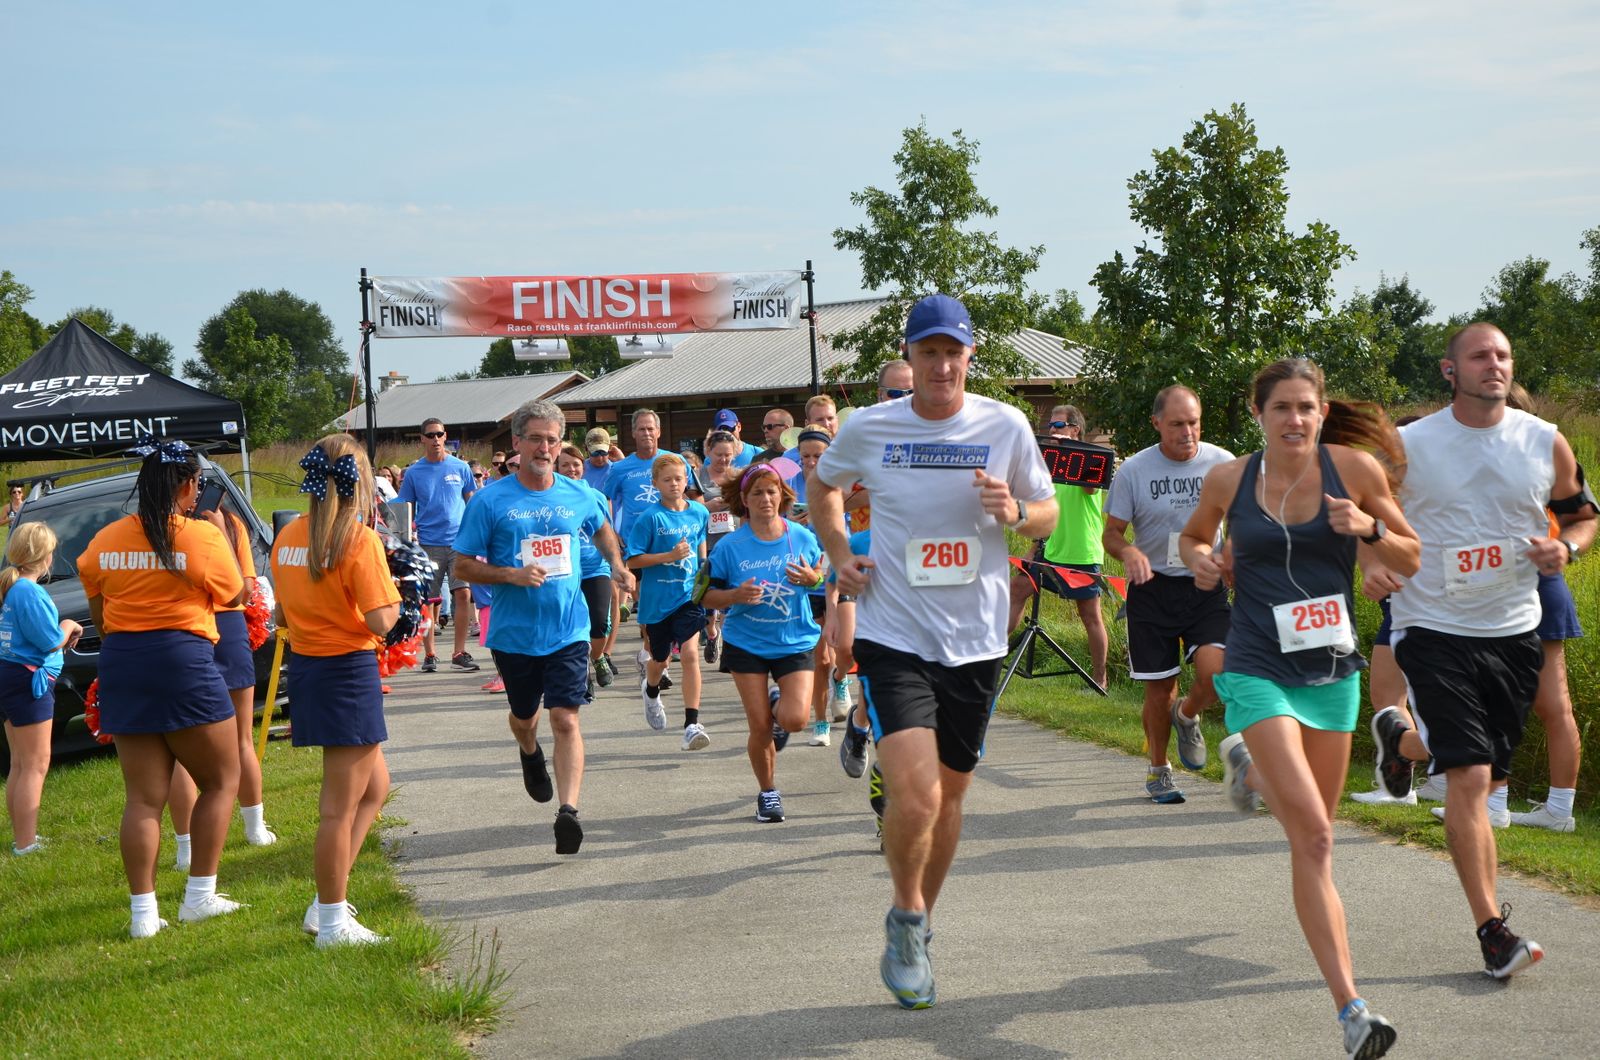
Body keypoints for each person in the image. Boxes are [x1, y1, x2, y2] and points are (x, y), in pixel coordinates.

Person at [811, 293, 1058, 1010]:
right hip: (895, 634)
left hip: (976, 641)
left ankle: (917, 921)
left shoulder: (1004, 425)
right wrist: (837, 552)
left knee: (950, 797)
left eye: (954, 352)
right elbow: (823, 486)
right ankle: (907, 913)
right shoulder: (872, 427)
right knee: (915, 793)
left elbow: (1045, 508)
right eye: (929, 352)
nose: (942, 365)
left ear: (969, 357)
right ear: (911, 358)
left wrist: (1016, 513)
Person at [1180, 358, 1419, 1057]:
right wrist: (1202, 559)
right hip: (1256, 662)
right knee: (1313, 833)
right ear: (1258, 414)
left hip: (1332, 670)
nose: (1294, 420)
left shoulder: (1356, 472)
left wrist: (1368, 533)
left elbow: (1412, 556)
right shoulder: (1231, 479)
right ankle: (1353, 1010)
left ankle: (1249, 771)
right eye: (1281, 407)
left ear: (1321, 412)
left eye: (1306, 407)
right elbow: (1196, 537)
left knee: (1316, 828)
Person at [1367, 322, 1593, 978]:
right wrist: (1370, 561)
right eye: (1479, 355)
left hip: (1514, 632)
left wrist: (1568, 548)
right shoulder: (1407, 446)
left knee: (1482, 770)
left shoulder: (1543, 440)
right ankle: (1493, 931)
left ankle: (1398, 744)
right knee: (1469, 777)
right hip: (1431, 626)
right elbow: (1360, 511)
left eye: (1502, 355)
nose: (1493, 364)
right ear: (1449, 369)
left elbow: (1583, 514)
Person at [78, 438, 247, 938]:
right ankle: (200, 895)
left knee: (143, 799)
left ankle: (143, 916)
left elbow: (100, 615)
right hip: (183, 661)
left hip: (124, 663)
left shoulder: (105, 539)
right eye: (196, 484)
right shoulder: (199, 535)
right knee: (221, 780)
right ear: (188, 484)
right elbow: (235, 592)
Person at [454, 400, 633, 855]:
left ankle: (568, 812)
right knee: (524, 718)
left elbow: (602, 530)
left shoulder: (579, 494)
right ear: (517, 442)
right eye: (536, 438)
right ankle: (529, 751)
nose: (545, 448)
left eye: (552, 439)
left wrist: (616, 565)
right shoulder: (489, 501)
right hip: (514, 633)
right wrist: (511, 575)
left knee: (565, 718)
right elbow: (462, 565)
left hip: (568, 628)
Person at [271, 434, 401, 947]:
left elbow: (282, 612)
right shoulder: (359, 540)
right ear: (361, 482)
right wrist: (404, 596)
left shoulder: (287, 538)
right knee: (337, 808)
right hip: (346, 669)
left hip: (309, 666)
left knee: (374, 788)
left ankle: (330, 898)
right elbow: (381, 620)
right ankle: (330, 920)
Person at [1101, 386, 1234, 803]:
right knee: (1160, 689)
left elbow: (1244, 520)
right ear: (1157, 423)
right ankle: (1159, 769)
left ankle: (1188, 714)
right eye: (1177, 424)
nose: (1187, 432)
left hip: (1205, 584)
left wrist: (1232, 557)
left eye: (1193, 422)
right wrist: (1129, 552)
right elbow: (1111, 533)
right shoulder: (1135, 471)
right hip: (1152, 588)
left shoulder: (1222, 463)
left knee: (1218, 672)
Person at [702, 462, 824, 821]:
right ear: (744, 499)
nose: (765, 498)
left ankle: (777, 703)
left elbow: (821, 577)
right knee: (758, 727)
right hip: (746, 642)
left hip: (794, 638)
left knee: (796, 720)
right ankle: (768, 792)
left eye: (772, 491)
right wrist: (734, 595)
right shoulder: (729, 546)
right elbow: (704, 597)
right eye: (757, 492)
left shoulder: (801, 536)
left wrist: (811, 580)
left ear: (783, 495)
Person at [167, 500, 276, 870]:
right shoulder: (203, 524)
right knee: (186, 743)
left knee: (231, 736)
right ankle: (189, 845)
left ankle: (253, 825)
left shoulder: (224, 523)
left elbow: (245, 586)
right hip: (201, 626)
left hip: (206, 627)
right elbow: (241, 587)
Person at [1006, 405, 1110, 691]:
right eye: (1050, 427)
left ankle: (1099, 679)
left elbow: (1089, 489)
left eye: (1059, 426)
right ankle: (993, 656)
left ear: (1075, 429)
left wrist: (1072, 451)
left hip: (1081, 551)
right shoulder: (1049, 463)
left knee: (1090, 615)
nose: (1052, 431)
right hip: (1049, 549)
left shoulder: (1089, 460)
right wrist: (1033, 547)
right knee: (1017, 589)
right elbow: (1042, 508)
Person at [0, 522, 82, 855]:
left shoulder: (13, 588)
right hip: (26, 680)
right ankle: (25, 843)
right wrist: (68, 626)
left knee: (19, 763)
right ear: (45, 556)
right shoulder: (29, 592)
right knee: (34, 763)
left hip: (9, 674)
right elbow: (50, 642)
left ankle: (24, 835)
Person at [626, 454, 711, 749]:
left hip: (689, 596)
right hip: (657, 600)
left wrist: (705, 572)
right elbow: (634, 559)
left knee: (689, 654)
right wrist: (668, 557)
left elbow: (701, 543)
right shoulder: (650, 517)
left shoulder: (699, 511)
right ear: (655, 484)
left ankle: (691, 723)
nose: (674, 484)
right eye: (667, 480)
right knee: (660, 660)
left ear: (687, 480)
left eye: (678, 478)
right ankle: (650, 691)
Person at [397, 418, 478, 674]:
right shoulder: (414, 473)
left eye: (439, 435)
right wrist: (403, 541)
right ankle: (430, 653)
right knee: (429, 601)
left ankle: (458, 651)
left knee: (463, 594)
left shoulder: (460, 467)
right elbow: (404, 508)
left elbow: (472, 500)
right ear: (421, 438)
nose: (435, 440)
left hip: (459, 542)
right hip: (429, 543)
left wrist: (477, 532)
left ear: (445, 437)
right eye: (430, 435)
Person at [557, 444, 620, 695]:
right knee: (573, 626)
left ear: (582, 468)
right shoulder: (552, 496)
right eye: (565, 465)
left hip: (596, 568)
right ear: (556, 468)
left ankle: (598, 657)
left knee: (598, 622)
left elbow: (607, 531)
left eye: (575, 465)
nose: (571, 469)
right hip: (566, 571)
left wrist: (617, 564)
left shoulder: (595, 496)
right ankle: (582, 675)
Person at [792, 426, 839, 746]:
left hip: (833, 578)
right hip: (801, 582)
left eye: (818, 456)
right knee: (818, 657)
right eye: (805, 456)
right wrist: (795, 521)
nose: (811, 462)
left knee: (838, 655)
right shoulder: (787, 486)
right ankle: (820, 722)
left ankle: (842, 680)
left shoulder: (841, 485)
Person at [699, 431, 742, 664]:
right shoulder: (699, 476)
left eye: (728, 454)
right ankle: (712, 632)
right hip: (706, 544)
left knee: (728, 597)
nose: (723, 460)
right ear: (708, 451)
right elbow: (689, 507)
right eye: (718, 455)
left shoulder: (737, 477)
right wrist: (709, 505)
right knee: (709, 597)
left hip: (731, 544)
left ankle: (726, 643)